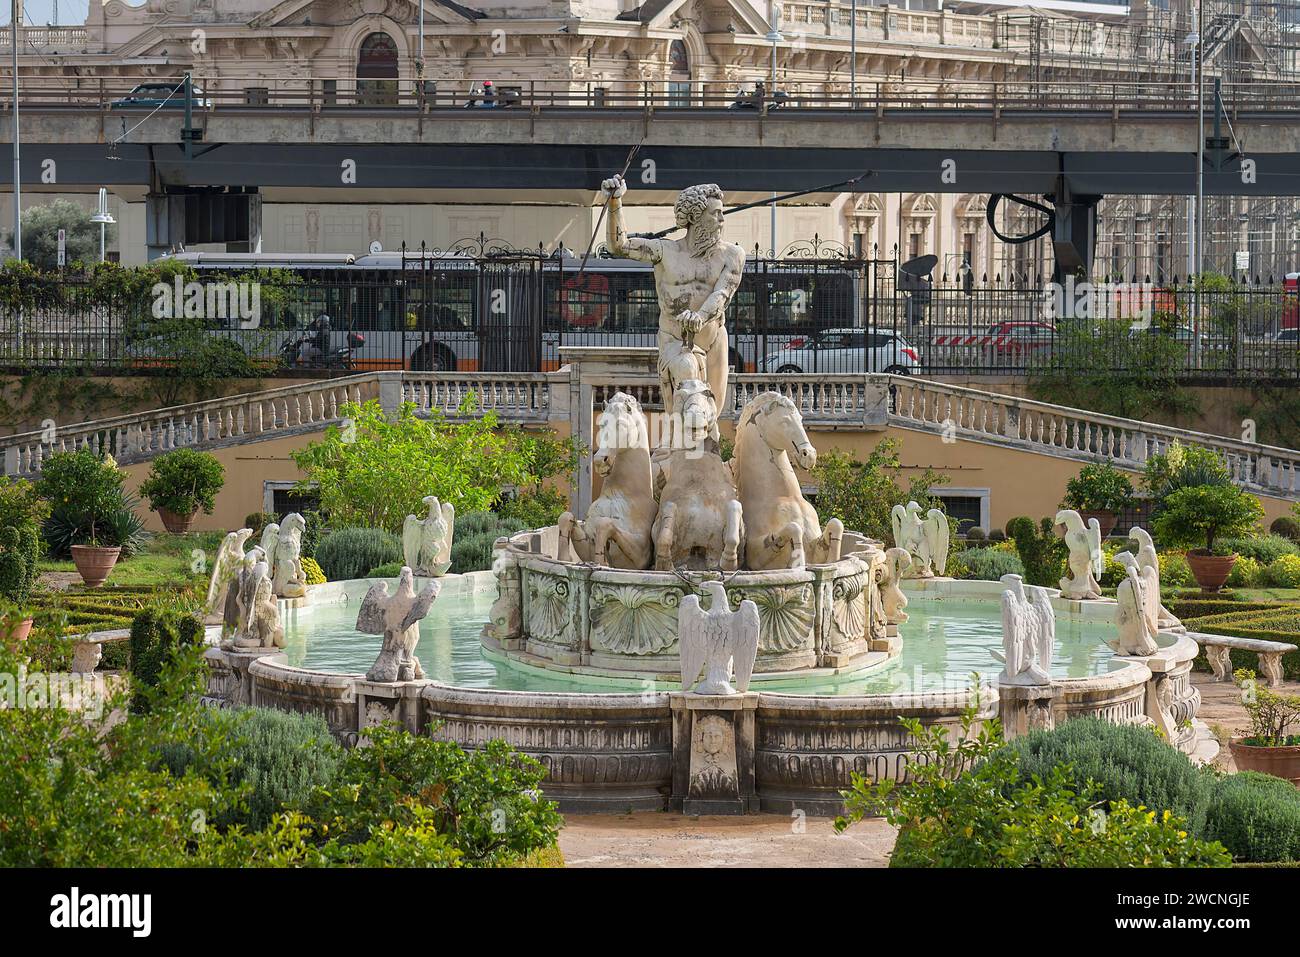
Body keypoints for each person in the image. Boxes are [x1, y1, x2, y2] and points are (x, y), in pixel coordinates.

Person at [601, 175, 744, 433]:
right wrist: (615, 201)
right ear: (694, 216)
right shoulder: (665, 252)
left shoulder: (732, 255)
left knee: (711, 417)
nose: (722, 220)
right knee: (687, 376)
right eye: (715, 214)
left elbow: (722, 294)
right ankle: (682, 458)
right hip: (675, 341)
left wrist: (700, 315)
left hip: (712, 342)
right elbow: (618, 245)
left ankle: (700, 460)